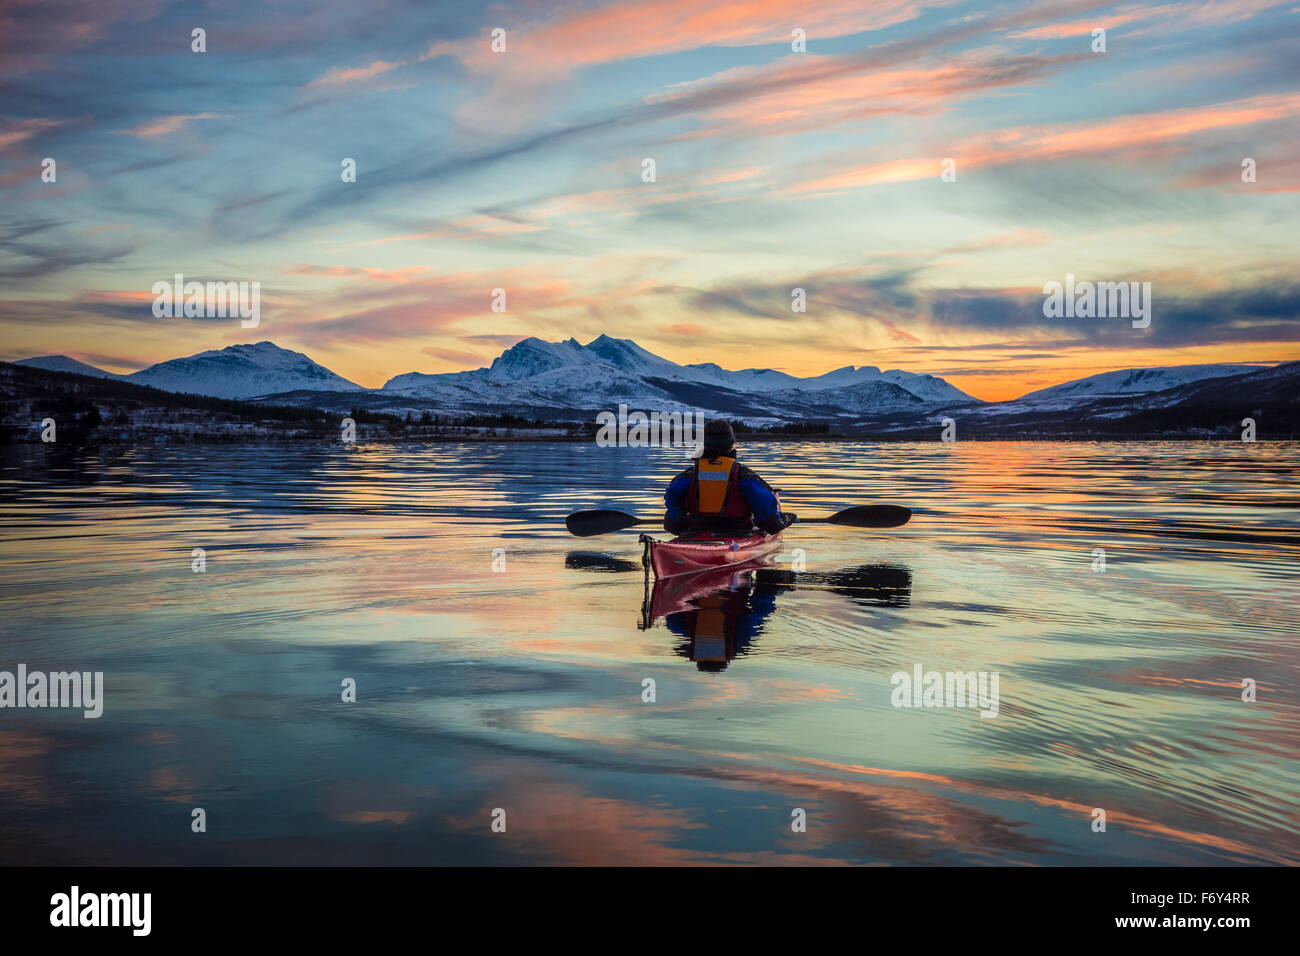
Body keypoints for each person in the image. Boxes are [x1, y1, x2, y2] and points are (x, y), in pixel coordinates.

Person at [663, 420, 794, 535]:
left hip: (697, 531)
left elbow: (673, 525)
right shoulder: (745, 478)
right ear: (731, 444)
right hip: (739, 533)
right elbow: (771, 524)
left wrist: (679, 525)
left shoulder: (685, 478)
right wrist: (786, 519)